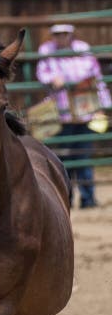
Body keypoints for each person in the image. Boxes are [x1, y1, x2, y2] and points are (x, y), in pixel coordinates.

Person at [36, 23, 111, 208]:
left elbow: (96, 77)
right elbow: (42, 73)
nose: (61, 37)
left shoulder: (82, 49)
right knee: (63, 158)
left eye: (65, 34)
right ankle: (65, 198)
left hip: (85, 109)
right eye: (58, 34)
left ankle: (88, 199)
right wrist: (52, 79)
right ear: (53, 36)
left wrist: (101, 105)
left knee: (83, 156)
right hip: (62, 113)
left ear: (70, 35)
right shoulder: (47, 50)